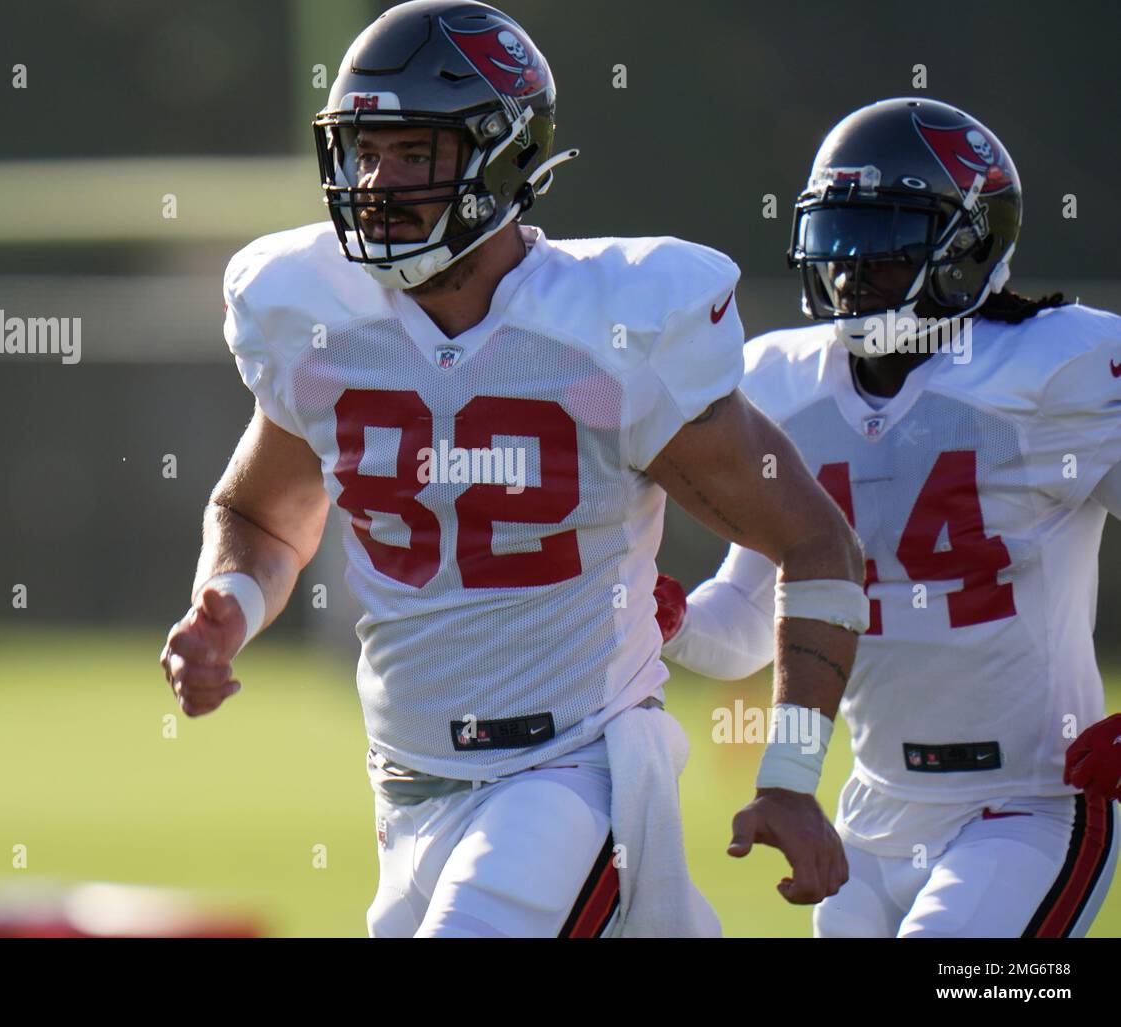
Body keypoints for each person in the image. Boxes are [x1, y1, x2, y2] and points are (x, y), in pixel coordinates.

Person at [161, 0, 864, 938]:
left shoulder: (611, 334)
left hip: (572, 774)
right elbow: (264, 516)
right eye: (363, 151)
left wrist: (788, 776)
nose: (376, 182)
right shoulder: (320, 316)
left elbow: (815, 543)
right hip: (407, 794)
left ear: (499, 158)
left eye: (413, 153)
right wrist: (228, 609)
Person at [657, 97, 1121, 937]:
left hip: (1027, 803)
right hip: (870, 815)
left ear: (966, 242)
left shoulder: (1060, 367)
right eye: (836, 232)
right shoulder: (783, 382)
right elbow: (752, 622)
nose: (848, 263)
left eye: (884, 233)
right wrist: (668, 621)